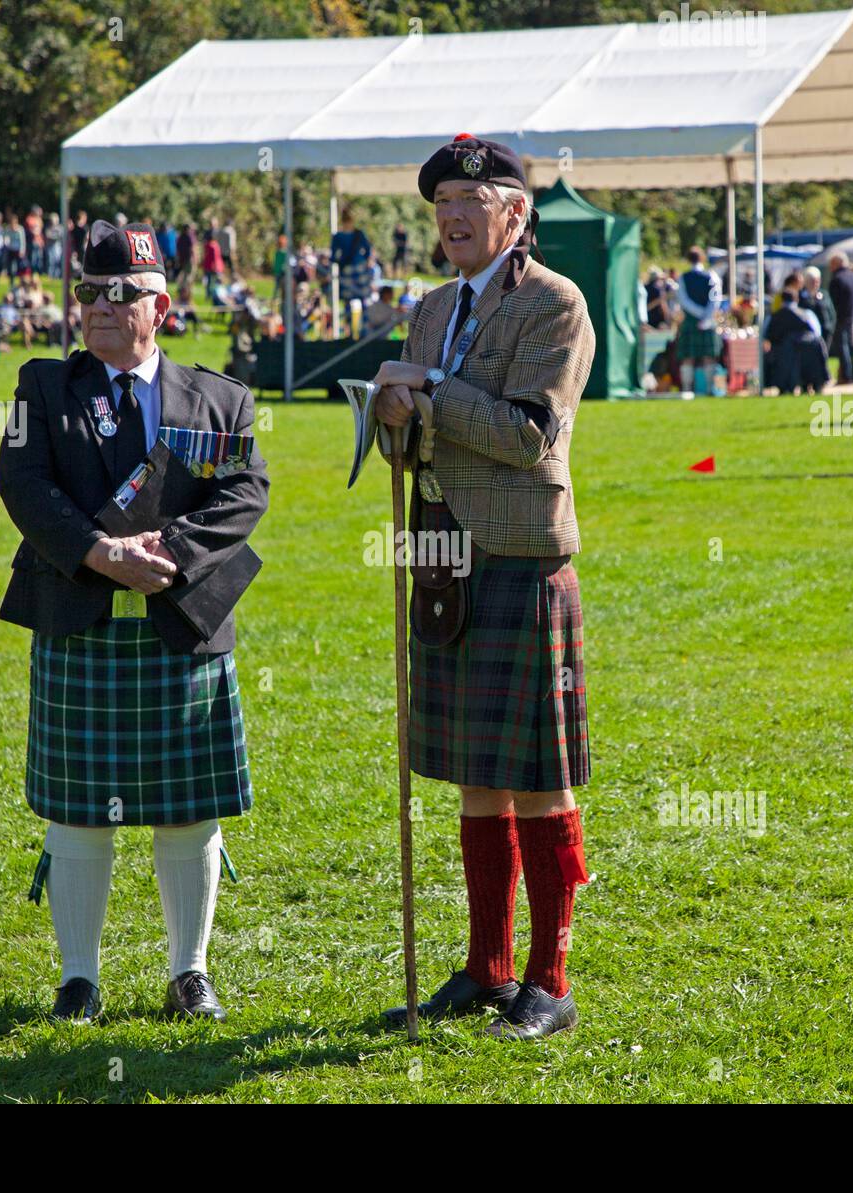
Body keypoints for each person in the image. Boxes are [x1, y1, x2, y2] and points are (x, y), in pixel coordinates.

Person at [0, 219, 269, 1024]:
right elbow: (23, 483)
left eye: (122, 294)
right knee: (78, 808)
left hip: (178, 622)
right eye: (89, 291)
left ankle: (190, 972)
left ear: (163, 306)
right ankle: (78, 977)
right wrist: (99, 552)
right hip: (78, 614)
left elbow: (244, 492)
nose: (101, 307)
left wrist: (172, 551)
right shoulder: (41, 387)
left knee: (188, 808)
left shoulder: (221, 399)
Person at [371, 133, 596, 1042]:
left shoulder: (556, 304)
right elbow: (413, 440)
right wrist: (391, 416)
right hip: (444, 563)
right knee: (474, 778)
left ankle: (550, 979)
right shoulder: (430, 308)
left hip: (520, 558)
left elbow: (531, 436)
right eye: (443, 205)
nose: (455, 216)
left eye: (475, 200)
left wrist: (423, 388)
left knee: (539, 781)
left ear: (516, 213)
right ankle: (487, 968)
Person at [763, 273, 828, 394]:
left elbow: (765, 335)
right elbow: (817, 333)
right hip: (809, 355)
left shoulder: (774, 317)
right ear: (797, 299)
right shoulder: (807, 315)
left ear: (781, 300)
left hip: (784, 356)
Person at [675, 246, 722, 394]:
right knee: (709, 357)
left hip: (691, 320)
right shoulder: (712, 276)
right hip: (707, 321)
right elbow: (715, 300)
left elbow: (683, 301)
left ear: (688, 259)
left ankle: (687, 389)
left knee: (688, 357)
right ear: (702, 258)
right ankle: (709, 389)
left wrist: (698, 314)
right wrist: (705, 316)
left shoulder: (683, 278)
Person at [826, 251, 853, 385]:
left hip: (840, 317)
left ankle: (846, 376)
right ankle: (852, 374)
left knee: (843, 348)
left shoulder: (837, 279)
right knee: (850, 348)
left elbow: (833, 303)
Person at [331, 209, 373, 314]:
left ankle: (349, 327)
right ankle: (365, 326)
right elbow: (367, 250)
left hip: (346, 269)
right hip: (360, 268)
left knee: (347, 299)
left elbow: (333, 255)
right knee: (363, 298)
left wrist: (339, 262)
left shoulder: (338, 236)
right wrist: (365, 261)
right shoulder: (359, 234)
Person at [799, 266, 835, 349]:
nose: (815, 284)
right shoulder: (800, 296)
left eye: (817, 281)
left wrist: (830, 327)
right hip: (807, 333)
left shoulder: (824, 295)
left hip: (825, 331)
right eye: (812, 281)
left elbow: (831, 313)